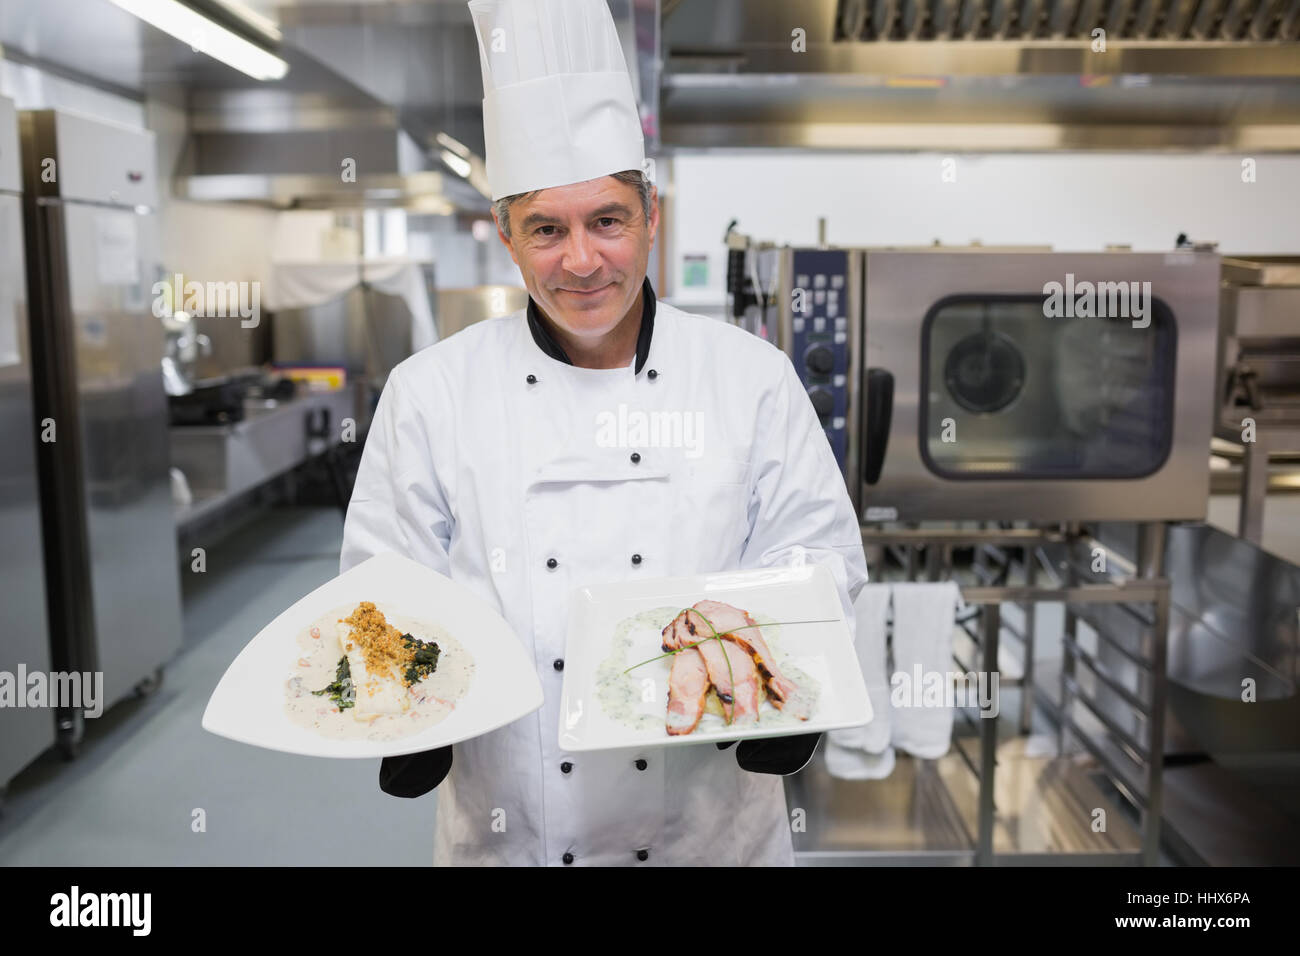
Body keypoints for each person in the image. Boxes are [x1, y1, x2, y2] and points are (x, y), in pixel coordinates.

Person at [339, 0, 868, 866]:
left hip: (711, 829)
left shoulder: (749, 379)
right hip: (515, 832)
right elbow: (385, 586)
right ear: (509, 238)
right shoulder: (430, 393)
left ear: (650, 220)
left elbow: (815, 557)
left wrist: (790, 692)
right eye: (547, 228)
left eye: (607, 221)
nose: (580, 260)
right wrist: (404, 706)